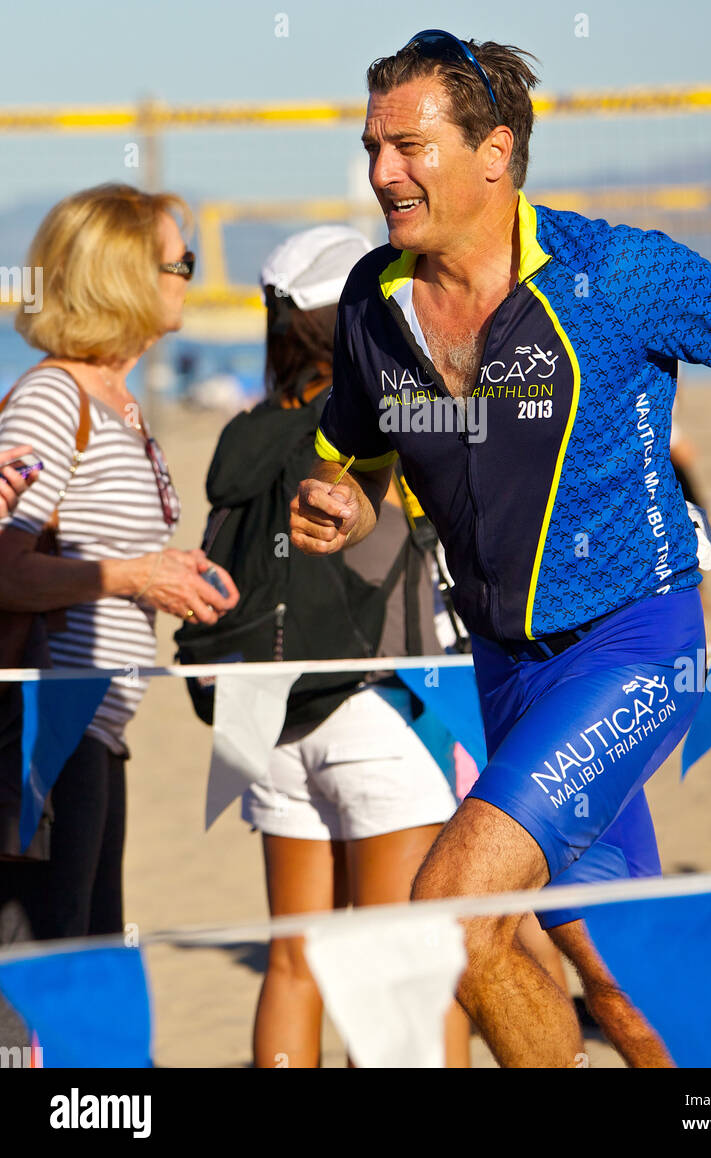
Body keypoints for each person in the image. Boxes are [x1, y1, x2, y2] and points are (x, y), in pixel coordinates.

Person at [289, 31, 711, 1068]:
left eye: (408, 146)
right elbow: (355, 464)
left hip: (632, 650)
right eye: (373, 146)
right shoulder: (374, 302)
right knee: (621, 991)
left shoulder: (615, 273)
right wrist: (341, 507)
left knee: (452, 912)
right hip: (507, 672)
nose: (381, 172)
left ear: (495, 151)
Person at [196, 226, 467, 1067]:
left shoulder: (243, 435)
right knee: (408, 965)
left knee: (297, 960)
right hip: (379, 707)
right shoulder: (382, 422)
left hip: (266, 720)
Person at [0, 182, 238, 946]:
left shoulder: (117, 405)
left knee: (88, 950)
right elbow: (6, 572)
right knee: (47, 962)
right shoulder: (52, 398)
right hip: (48, 723)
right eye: (180, 261)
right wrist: (139, 575)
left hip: (95, 725)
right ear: (123, 274)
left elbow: (98, 550)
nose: (191, 277)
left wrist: (172, 571)